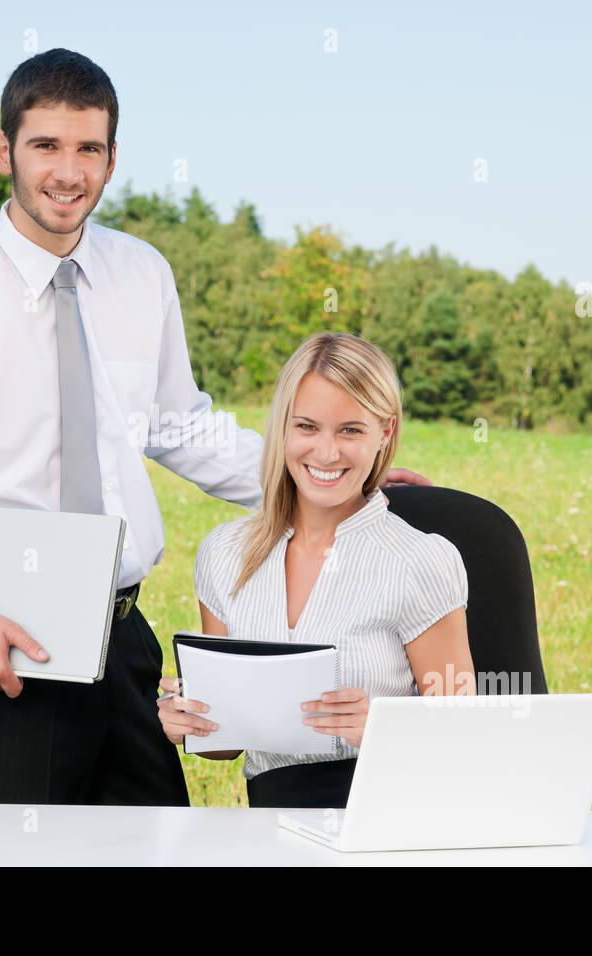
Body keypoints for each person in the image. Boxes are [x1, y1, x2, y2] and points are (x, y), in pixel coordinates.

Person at [0, 49, 428, 807]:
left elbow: (180, 425)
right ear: (5, 150)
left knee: (156, 848)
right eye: (46, 146)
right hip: (5, 649)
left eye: (88, 149)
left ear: (112, 158)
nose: (68, 173)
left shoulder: (143, 275)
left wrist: (317, 480)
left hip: (124, 636)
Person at [157, 332, 475, 809]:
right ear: (282, 427)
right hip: (272, 820)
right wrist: (191, 721)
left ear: (385, 433)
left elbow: (464, 732)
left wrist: (385, 728)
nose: (326, 454)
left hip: (384, 815)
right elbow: (227, 745)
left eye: (350, 430)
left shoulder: (419, 561)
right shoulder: (224, 555)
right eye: (307, 427)